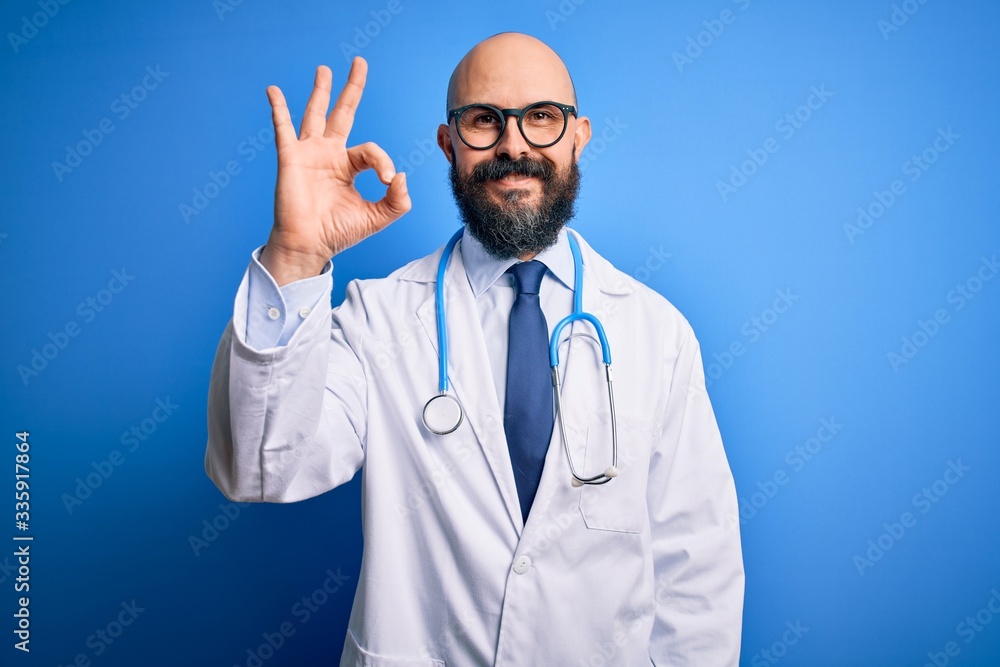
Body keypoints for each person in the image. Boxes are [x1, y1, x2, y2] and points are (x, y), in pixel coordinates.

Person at [205, 32, 744, 666]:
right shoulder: (378, 318)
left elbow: (696, 570)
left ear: (579, 135)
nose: (514, 144)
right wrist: (296, 255)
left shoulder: (658, 333)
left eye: (541, 117)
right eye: (484, 120)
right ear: (448, 143)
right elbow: (261, 470)